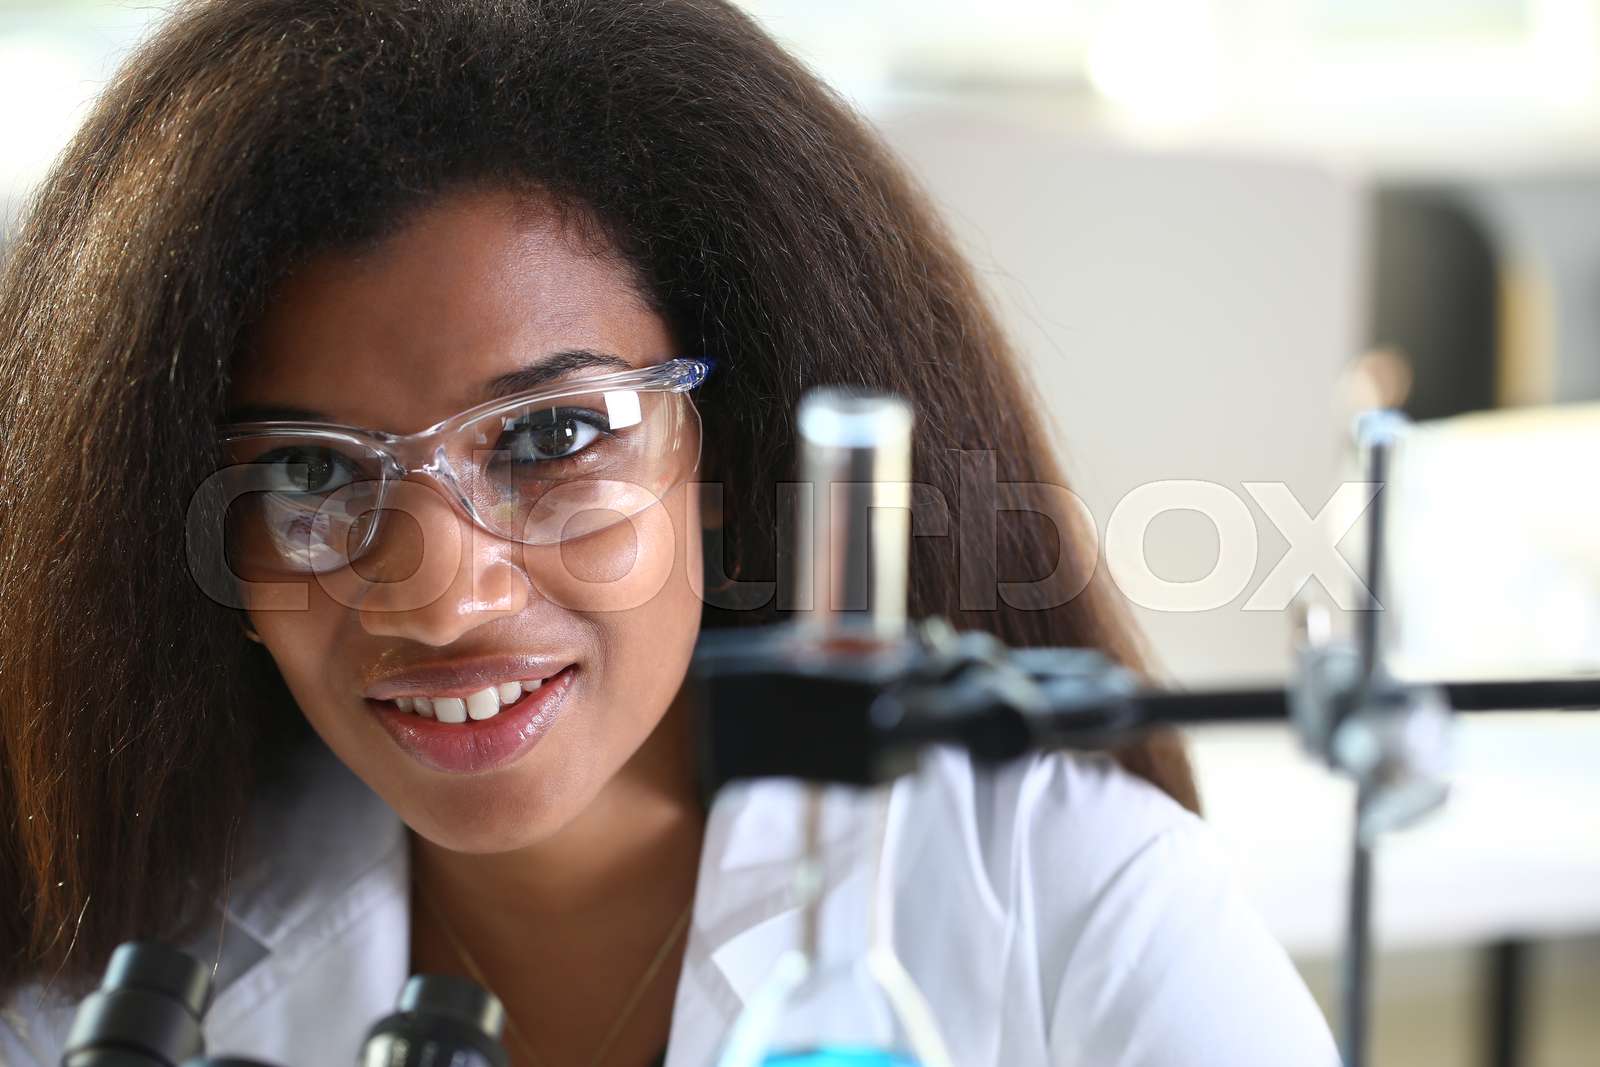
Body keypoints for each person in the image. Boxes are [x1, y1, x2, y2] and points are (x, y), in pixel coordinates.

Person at [0, 2, 1339, 1065]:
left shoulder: (1075, 902)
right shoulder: (104, 948)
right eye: (306, 468)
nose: (440, 596)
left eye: (548, 436)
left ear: (732, 437)